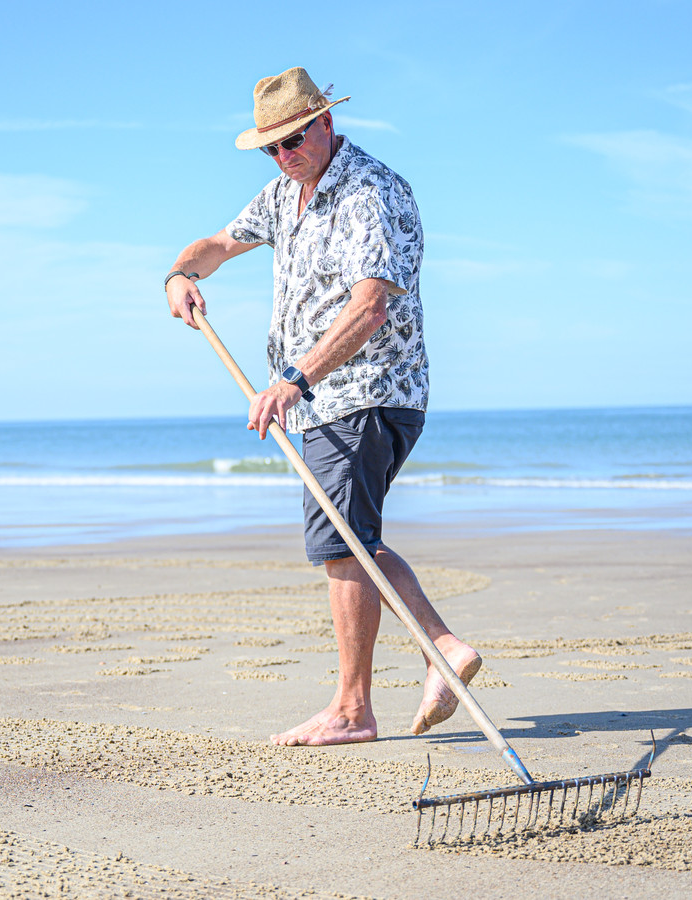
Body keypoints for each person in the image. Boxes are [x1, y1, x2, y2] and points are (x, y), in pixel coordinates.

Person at [164, 67, 480, 747]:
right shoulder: (285, 193)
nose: (284, 155)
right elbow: (219, 244)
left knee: (340, 545)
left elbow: (370, 308)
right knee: (352, 540)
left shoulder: (372, 192)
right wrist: (181, 274)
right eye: (271, 147)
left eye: (294, 140)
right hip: (324, 401)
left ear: (326, 122)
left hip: (364, 391)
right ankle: (440, 651)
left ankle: (355, 708)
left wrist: (293, 382)